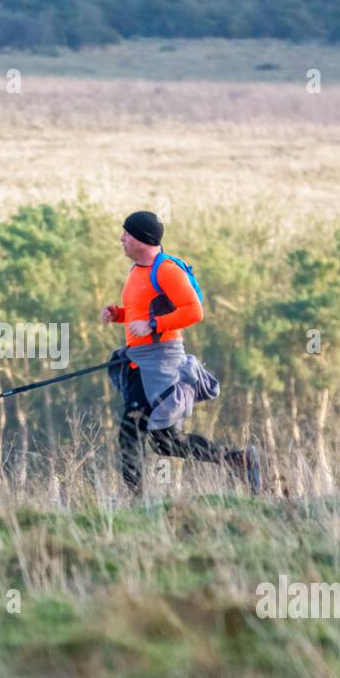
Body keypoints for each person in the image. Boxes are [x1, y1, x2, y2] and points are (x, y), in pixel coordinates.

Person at [101, 210, 261, 495]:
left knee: (130, 430)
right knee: (164, 441)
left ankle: (135, 498)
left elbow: (193, 311)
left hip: (162, 363)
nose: (121, 238)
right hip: (139, 362)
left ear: (142, 238)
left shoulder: (166, 270)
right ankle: (238, 460)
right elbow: (142, 312)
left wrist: (152, 324)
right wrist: (119, 315)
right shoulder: (138, 270)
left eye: (127, 233)